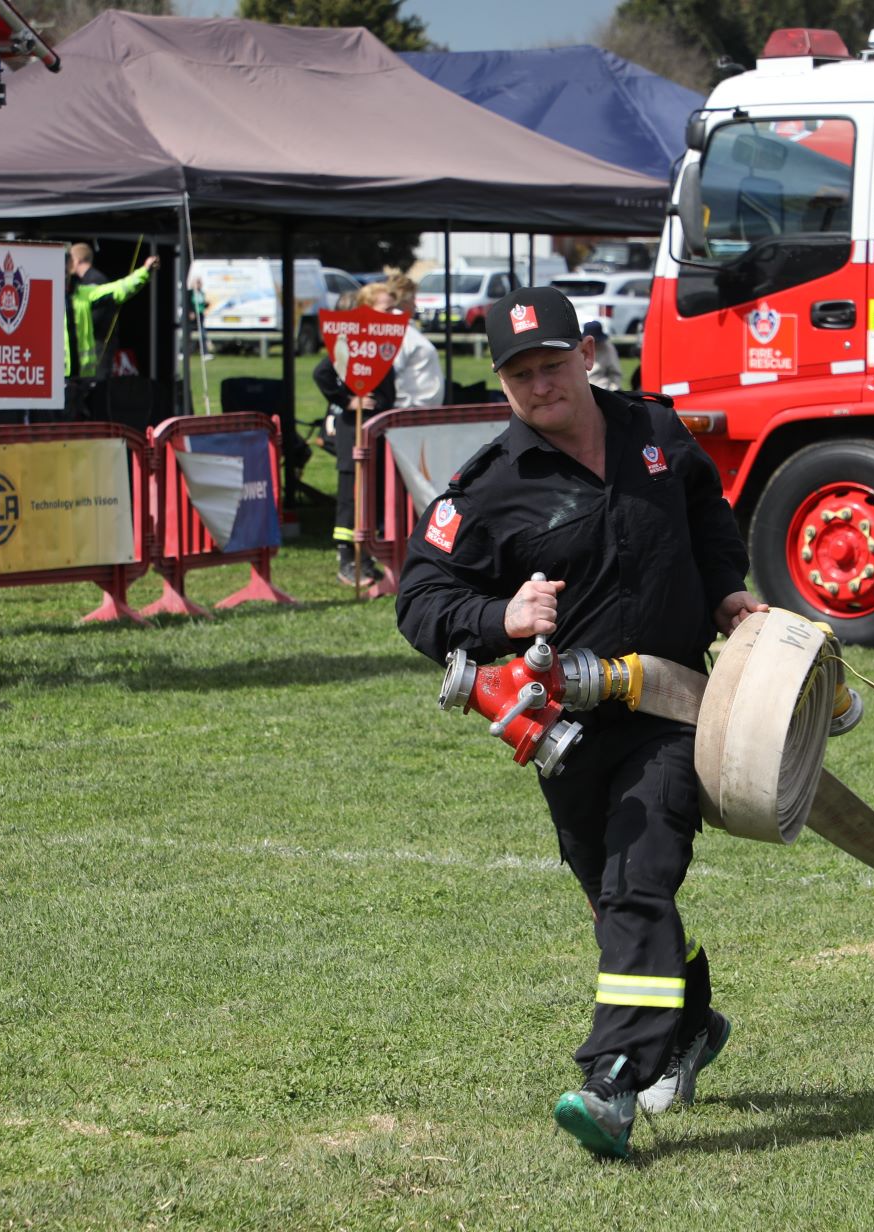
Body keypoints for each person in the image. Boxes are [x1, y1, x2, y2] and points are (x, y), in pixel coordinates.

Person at [396, 287, 765, 1159]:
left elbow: (708, 514)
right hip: (563, 723)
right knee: (611, 893)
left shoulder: (656, 431)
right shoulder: (489, 487)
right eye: (520, 373)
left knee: (642, 873)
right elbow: (420, 598)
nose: (539, 384)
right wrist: (502, 619)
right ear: (501, 380)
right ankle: (690, 1024)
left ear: (587, 354)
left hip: (672, 703)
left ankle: (611, 1084)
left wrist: (725, 590)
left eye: (552, 364)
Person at [312, 281, 400, 584]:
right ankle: (347, 560)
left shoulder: (386, 342)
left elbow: (388, 388)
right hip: (354, 430)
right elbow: (321, 373)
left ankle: (366, 557)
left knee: (373, 493)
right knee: (353, 494)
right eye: (387, 308)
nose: (394, 312)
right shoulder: (350, 340)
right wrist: (348, 400)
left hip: (377, 430)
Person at [65, 254, 157, 421]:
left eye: (65, 272)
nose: (64, 277)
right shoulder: (45, 295)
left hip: (81, 378)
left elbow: (120, 289)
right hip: (54, 378)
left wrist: (144, 272)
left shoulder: (84, 294)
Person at [374, 273, 443, 409]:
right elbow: (390, 371)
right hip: (407, 411)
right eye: (413, 298)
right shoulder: (396, 330)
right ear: (404, 299)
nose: (415, 304)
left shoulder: (404, 329)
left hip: (416, 410)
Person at [582, 320, 623, 392]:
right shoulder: (578, 349)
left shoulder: (608, 348)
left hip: (603, 388)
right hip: (582, 388)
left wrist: (614, 389)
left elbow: (615, 373)